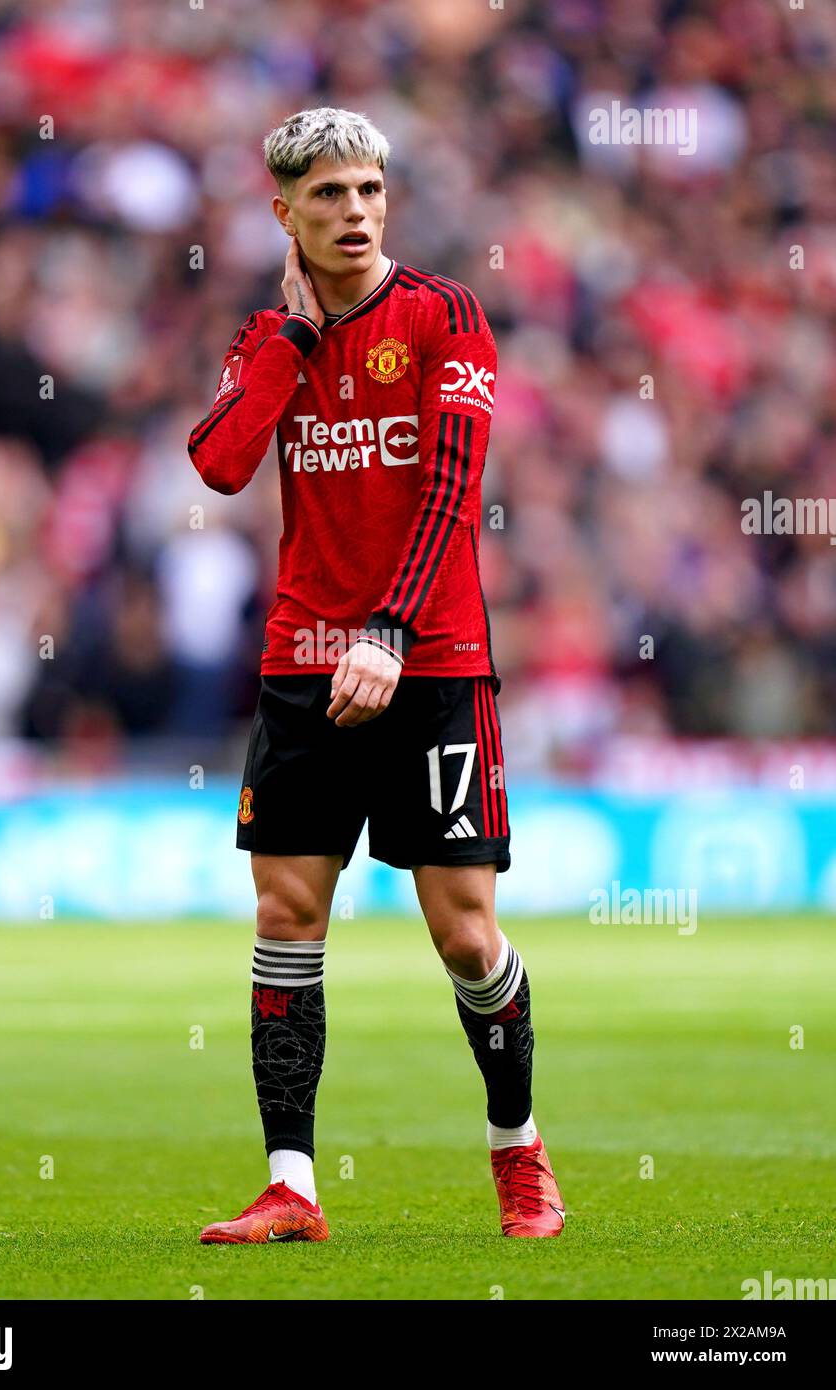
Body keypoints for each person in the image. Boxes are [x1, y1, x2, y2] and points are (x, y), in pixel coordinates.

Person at [188, 106, 564, 1242]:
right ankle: (293, 1184)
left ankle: (519, 1151)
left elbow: (453, 486)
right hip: (305, 659)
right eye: (329, 197)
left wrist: (390, 631)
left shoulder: (444, 315)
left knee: (462, 931)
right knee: (287, 908)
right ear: (284, 213)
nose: (355, 212)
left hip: (434, 659)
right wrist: (292, 349)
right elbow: (218, 462)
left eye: (369, 190)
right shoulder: (268, 338)